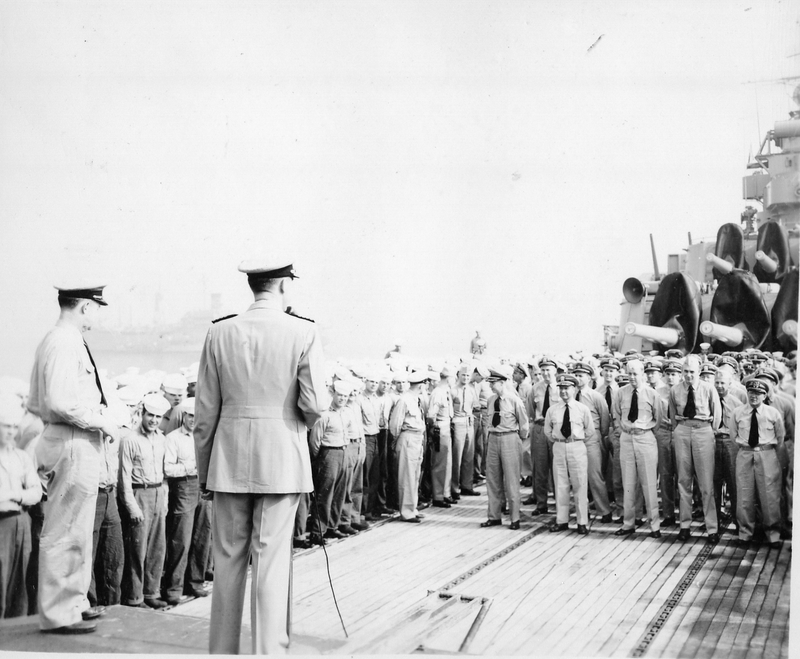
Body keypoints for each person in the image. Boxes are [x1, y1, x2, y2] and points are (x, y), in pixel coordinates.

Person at [194, 257, 328, 655]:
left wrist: (206, 473)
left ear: (252, 285)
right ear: (284, 285)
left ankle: (221, 650)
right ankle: (269, 652)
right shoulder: (303, 331)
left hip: (229, 461)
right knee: (271, 559)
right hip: (282, 459)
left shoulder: (219, 332)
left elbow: (204, 416)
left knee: (228, 560)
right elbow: (316, 403)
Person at [28, 282, 121, 634]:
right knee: (66, 530)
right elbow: (60, 402)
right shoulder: (65, 341)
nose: (95, 317)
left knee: (77, 529)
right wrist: (103, 421)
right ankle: (59, 613)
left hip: (70, 439)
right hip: (72, 440)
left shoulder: (58, 340)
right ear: (84, 306)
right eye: (95, 308)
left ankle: (74, 602)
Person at [119, 393, 170, 609]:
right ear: (142, 414)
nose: (154, 420)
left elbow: (164, 473)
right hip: (139, 494)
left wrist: (164, 500)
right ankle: (135, 597)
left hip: (158, 494)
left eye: (158, 417)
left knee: (157, 547)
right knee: (137, 550)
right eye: (151, 415)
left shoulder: (162, 439)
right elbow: (124, 478)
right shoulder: (130, 440)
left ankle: (152, 593)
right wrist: (132, 506)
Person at [669, 355, 722, 544]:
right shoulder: (675, 390)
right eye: (685, 372)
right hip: (683, 429)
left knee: (706, 483)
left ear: (698, 372)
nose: (688, 375)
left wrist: (708, 431)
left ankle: (712, 528)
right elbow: (672, 413)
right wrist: (680, 429)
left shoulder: (709, 389)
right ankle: (685, 526)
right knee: (684, 480)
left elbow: (716, 415)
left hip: (703, 430)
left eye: (692, 372)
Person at [0, 395, 42, 618]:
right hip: (1, 525)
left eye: (15, 427)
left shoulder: (22, 457)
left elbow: (36, 492)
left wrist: (14, 495)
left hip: (21, 522)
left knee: (20, 582)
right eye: (6, 426)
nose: (11, 432)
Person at [730, 379, 785, 548]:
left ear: (765, 395)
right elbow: (734, 436)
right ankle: (745, 534)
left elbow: (780, 437)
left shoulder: (772, 413)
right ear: (747, 393)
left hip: (767, 454)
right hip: (745, 454)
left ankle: (772, 534)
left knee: (769, 496)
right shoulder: (738, 413)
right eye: (751, 393)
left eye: (758, 393)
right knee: (744, 496)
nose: (754, 396)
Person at [613, 359, 663, 539]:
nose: (632, 377)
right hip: (627, 438)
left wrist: (644, 431)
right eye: (630, 373)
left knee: (649, 484)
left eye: (636, 374)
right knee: (628, 483)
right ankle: (628, 523)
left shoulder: (652, 394)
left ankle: (654, 525)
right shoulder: (620, 393)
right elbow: (617, 414)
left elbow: (658, 419)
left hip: (645, 437)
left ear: (643, 374)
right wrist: (625, 430)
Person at [544, 374, 593, 534]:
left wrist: (576, 439)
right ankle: (562, 520)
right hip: (559, 447)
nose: (564, 391)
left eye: (567, 388)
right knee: (560, 485)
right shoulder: (553, 410)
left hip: (576, 446)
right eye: (561, 388)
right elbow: (547, 430)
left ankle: (582, 522)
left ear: (574, 389)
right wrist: (558, 440)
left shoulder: (582, 409)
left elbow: (590, 430)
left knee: (580, 484)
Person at [480, 365, 528, 530]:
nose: (490, 386)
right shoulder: (491, 400)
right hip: (493, 439)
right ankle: (494, 516)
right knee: (493, 480)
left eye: (492, 383)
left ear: (501, 383)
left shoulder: (514, 400)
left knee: (512, 481)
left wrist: (517, 440)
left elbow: (524, 425)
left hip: (510, 438)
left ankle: (515, 518)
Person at [307, 380, 355, 544]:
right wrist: (321, 458)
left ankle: (332, 527)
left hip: (343, 452)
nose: (342, 398)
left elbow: (348, 433)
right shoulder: (325, 415)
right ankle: (317, 531)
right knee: (324, 495)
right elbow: (315, 441)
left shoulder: (347, 413)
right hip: (328, 454)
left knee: (340, 493)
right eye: (340, 395)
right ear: (333, 394)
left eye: (345, 396)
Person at [162, 397, 199, 605]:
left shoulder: (203, 435)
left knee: (201, 536)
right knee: (181, 538)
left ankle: (194, 582)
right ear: (184, 416)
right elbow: (168, 469)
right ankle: (173, 588)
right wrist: (189, 467)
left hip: (201, 486)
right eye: (191, 415)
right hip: (183, 486)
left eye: (197, 415)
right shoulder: (173, 438)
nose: (194, 420)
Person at [572, 362, 612, 523]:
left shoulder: (596, 396)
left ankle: (604, 510)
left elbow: (604, 419)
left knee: (595, 475)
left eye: (581, 375)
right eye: (576, 375)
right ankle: (583, 511)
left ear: (589, 378)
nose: (578, 378)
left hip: (591, 437)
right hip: (575, 438)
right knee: (578, 477)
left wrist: (598, 436)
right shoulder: (570, 395)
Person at [388, 371, 428, 523]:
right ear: (421, 384)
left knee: (415, 475)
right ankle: (406, 511)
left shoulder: (415, 399)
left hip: (418, 438)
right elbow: (395, 424)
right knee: (407, 476)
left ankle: (412, 508)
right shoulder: (404, 400)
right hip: (408, 438)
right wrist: (396, 442)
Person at [525, 357, 558, 514]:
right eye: (542, 370)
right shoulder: (535, 388)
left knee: (558, 468)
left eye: (548, 370)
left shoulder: (561, 388)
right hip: (540, 429)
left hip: (556, 431)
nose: (545, 373)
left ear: (555, 371)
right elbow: (530, 410)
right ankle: (541, 503)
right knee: (539, 467)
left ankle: (561, 502)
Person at [427, 368, 455, 508]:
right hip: (440, 427)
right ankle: (438, 496)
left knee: (447, 462)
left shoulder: (445, 391)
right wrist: (434, 429)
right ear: (448, 378)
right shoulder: (438, 392)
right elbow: (431, 415)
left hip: (447, 425)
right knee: (439, 463)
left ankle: (445, 493)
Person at [451, 363, 479, 498]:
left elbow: (474, 405)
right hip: (457, 423)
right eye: (463, 375)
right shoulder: (453, 390)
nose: (466, 378)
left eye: (468, 375)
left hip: (469, 422)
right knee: (457, 457)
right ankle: (454, 488)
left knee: (469, 456)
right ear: (458, 375)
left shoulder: (472, 390)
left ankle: (467, 485)